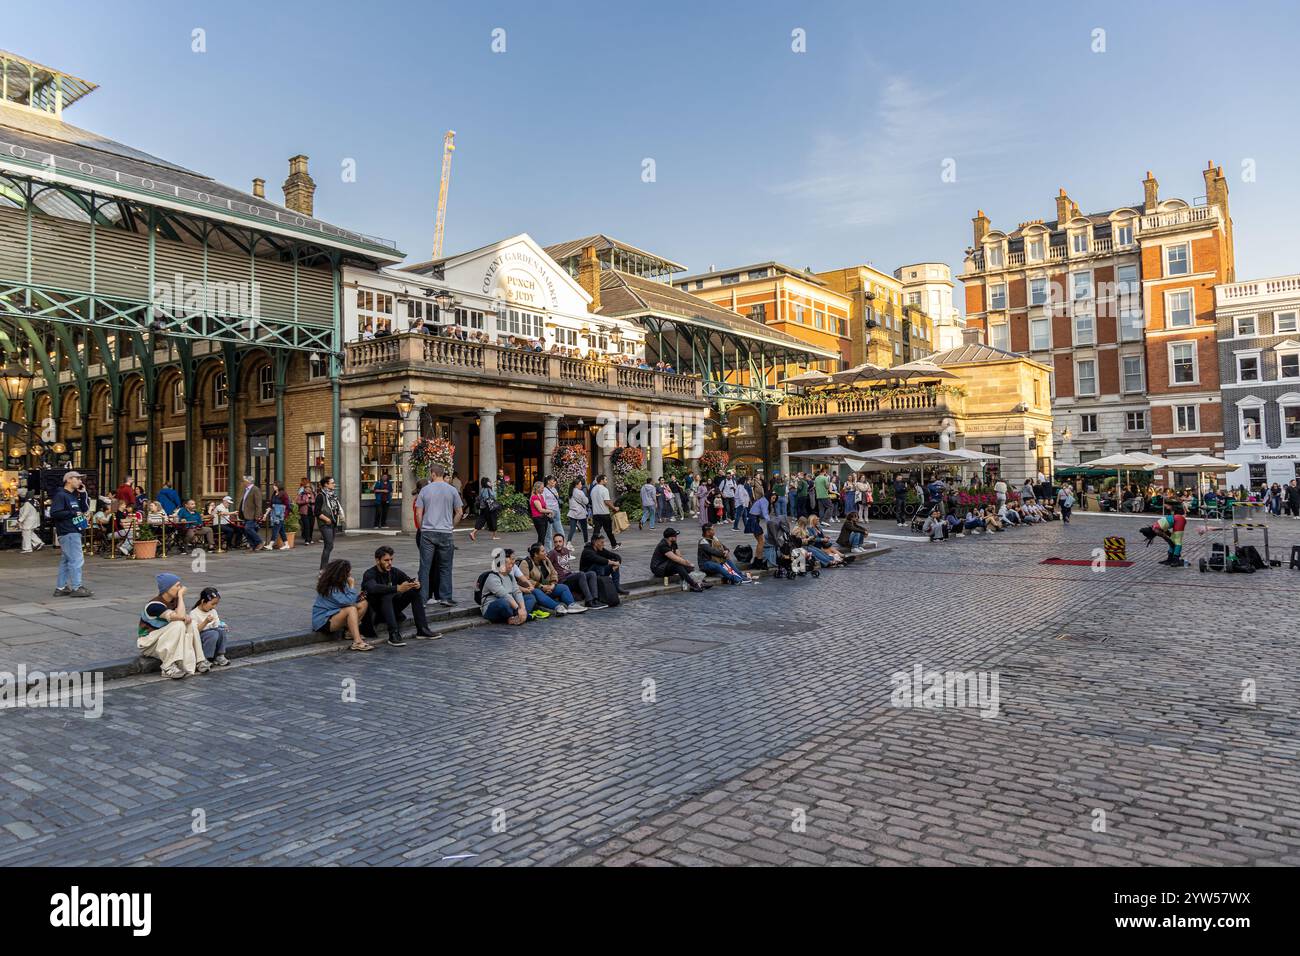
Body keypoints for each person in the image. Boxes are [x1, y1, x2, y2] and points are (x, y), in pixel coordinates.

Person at [361, 545, 437, 646]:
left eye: (391, 560)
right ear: (377, 560)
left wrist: (416, 585)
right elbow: (372, 588)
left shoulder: (394, 571)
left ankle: (422, 629)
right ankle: (393, 634)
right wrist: (397, 588)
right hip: (377, 612)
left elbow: (409, 580)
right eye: (386, 560)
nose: (390, 563)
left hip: (392, 610)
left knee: (414, 593)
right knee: (387, 595)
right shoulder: (369, 573)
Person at [137, 572, 209, 678]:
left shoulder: (173, 601)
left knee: (191, 624)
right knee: (179, 624)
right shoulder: (154, 605)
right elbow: (180, 616)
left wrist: (181, 606)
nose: (181, 588)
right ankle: (167, 667)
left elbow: (183, 617)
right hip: (149, 643)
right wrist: (180, 596)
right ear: (167, 588)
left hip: (164, 639)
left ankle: (199, 660)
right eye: (177, 586)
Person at [415, 464, 462, 606]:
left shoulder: (425, 490)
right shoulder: (452, 490)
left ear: (433, 474)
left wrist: (422, 528)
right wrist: (451, 526)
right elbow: (459, 512)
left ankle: (422, 599)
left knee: (425, 566)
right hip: (445, 532)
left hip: (428, 531)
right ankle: (446, 597)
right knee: (445, 566)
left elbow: (418, 512)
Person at [312, 559, 373, 651]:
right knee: (351, 609)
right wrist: (352, 585)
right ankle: (357, 642)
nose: (350, 574)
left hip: (334, 613)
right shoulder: (330, 587)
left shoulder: (340, 583)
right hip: (323, 621)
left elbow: (347, 599)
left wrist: (358, 597)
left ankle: (349, 632)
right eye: (348, 572)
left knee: (363, 604)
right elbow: (347, 602)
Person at [50, 470, 92, 598]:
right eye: (77, 478)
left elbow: (84, 509)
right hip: (68, 531)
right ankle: (76, 586)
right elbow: (55, 513)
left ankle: (61, 587)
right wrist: (72, 513)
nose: (80, 481)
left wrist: (84, 494)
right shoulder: (61, 495)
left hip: (73, 530)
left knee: (66, 560)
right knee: (76, 559)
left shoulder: (72, 495)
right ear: (68, 480)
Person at [520, 543, 587, 614]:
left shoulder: (545, 560)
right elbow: (525, 580)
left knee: (563, 587)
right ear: (536, 554)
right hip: (533, 589)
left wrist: (553, 584)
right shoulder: (525, 563)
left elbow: (553, 572)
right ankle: (557, 607)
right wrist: (541, 587)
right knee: (536, 591)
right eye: (543, 551)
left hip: (548, 587)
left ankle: (571, 605)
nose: (545, 553)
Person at [548, 532, 606, 609]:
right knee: (581, 574)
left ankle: (595, 599)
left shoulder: (566, 550)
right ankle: (589, 601)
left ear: (563, 542)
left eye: (560, 541)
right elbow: (547, 567)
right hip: (563, 580)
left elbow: (566, 566)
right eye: (555, 542)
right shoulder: (552, 553)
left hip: (569, 576)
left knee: (592, 574)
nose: (558, 544)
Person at [479, 548, 529, 625]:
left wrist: (522, 608)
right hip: (492, 607)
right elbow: (505, 595)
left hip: (512, 605)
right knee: (503, 603)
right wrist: (518, 609)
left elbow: (517, 591)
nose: (512, 566)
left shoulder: (510, 576)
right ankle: (516, 616)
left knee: (530, 598)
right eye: (509, 564)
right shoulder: (492, 578)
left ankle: (518, 616)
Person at [650, 527, 709, 592]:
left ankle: (700, 582)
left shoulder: (673, 543)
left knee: (686, 566)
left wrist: (687, 564)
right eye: (675, 536)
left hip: (666, 565)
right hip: (658, 568)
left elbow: (679, 556)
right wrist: (687, 563)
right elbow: (675, 558)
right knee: (677, 564)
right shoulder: (663, 545)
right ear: (670, 537)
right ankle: (694, 585)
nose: (676, 537)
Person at [190, 586, 231, 667]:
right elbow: (195, 630)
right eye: (212, 604)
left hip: (212, 634)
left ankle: (220, 656)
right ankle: (205, 658)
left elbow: (217, 624)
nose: (214, 606)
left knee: (221, 631)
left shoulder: (213, 611)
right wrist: (206, 622)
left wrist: (222, 625)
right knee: (213, 634)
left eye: (216, 604)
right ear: (203, 602)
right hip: (200, 637)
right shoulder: (194, 613)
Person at [581, 531, 627, 595]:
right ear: (595, 542)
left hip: (598, 572)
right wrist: (613, 562)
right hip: (587, 575)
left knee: (612, 563)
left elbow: (616, 556)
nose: (604, 544)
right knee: (600, 564)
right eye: (602, 542)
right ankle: (601, 588)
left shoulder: (600, 549)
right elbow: (600, 560)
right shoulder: (587, 551)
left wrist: (617, 564)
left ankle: (617, 587)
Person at [314, 476, 344, 569]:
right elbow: (317, 512)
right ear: (326, 484)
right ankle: (323, 569)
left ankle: (324, 567)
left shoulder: (333, 495)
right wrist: (326, 519)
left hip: (333, 523)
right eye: (332, 483)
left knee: (329, 546)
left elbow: (336, 507)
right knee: (329, 545)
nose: (334, 484)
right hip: (325, 524)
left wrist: (340, 514)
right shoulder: (320, 496)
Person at [589, 474, 618, 547]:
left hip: (596, 513)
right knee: (608, 530)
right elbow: (606, 501)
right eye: (605, 479)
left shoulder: (593, 489)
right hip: (604, 513)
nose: (606, 481)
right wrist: (614, 508)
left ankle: (592, 545)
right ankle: (614, 544)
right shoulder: (604, 489)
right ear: (601, 480)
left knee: (596, 531)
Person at [237, 475, 264, 552]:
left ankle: (259, 541)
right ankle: (252, 546)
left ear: (248, 482)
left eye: (244, 481)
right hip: (245, 515)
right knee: (246, 530)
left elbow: (258, 504)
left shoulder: (255, 490)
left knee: (248, 528)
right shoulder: (246, 490)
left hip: (252, 515)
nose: (243, 482)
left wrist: (257, 516)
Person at [468, 476, 499, 542]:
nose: (490, 482)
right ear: (486, 483)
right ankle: (494, 536)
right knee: (493, 520)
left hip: (484, 508)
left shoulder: (482, 489)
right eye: (489, 481)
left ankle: (473, 533)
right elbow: (490, 498)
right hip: (489, 507)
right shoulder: (487, 490)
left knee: (482, 520)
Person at [266, 480, 289, 550]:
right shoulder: (274, 493)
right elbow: (271, 504)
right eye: (273, 485)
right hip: (274, 514)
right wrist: (266, 513)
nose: (273, 486)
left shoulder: (284, 494)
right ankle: (286, 544)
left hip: (280, 515)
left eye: (275, 485)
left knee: (275, 529)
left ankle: (270, 544)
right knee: (281, 530)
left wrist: (284, 515)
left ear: (278, 486)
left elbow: (287, 505)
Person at [565, 480, 590, 544]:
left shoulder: (571, 491)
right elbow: (586, 501)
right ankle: (586, 542)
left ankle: (568, 542)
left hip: (573, 512)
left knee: (572, 529)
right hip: (581, 512)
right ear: (576, 485)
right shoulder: (580, 492)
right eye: (580, 484)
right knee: (584, 529)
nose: (581, 485)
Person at [529, 481, 553, 545]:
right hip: (538, 519)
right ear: (537, 488)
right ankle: (537, 551)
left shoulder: (541, 496)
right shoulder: (534, 497)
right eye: (542, 488)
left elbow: (545, 507)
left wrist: (548, 512)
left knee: (542, 537)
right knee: (541, 537)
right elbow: (540, 510)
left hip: (543, 518)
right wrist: (550, 511)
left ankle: (539, 551)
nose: (543, 489)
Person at [542, 475, 565, 540]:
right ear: (548, 481)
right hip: (549, 512)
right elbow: (543, 502)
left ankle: (563, 546)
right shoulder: (544, 490)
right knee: (549, 533)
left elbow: (556, 499)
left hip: (556, 511)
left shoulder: (554, 489)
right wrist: (547, 511)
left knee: (560, 531)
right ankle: (548, 549)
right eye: (553, 481)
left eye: (555, 481)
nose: (555, 482)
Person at [296, 478, 317, 545]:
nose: (307, 490)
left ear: (311, 489)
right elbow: (297, 501)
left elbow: (317, 501)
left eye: (309, 488)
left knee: (311, 526)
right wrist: (305, 501)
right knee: (306, 526)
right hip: (304, 513)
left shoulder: (314, 494)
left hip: (312, 512)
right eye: (306, 488)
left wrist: (312, 501)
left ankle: (310, 538)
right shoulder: (302, 494)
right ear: (304, 489)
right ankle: (307, 540)